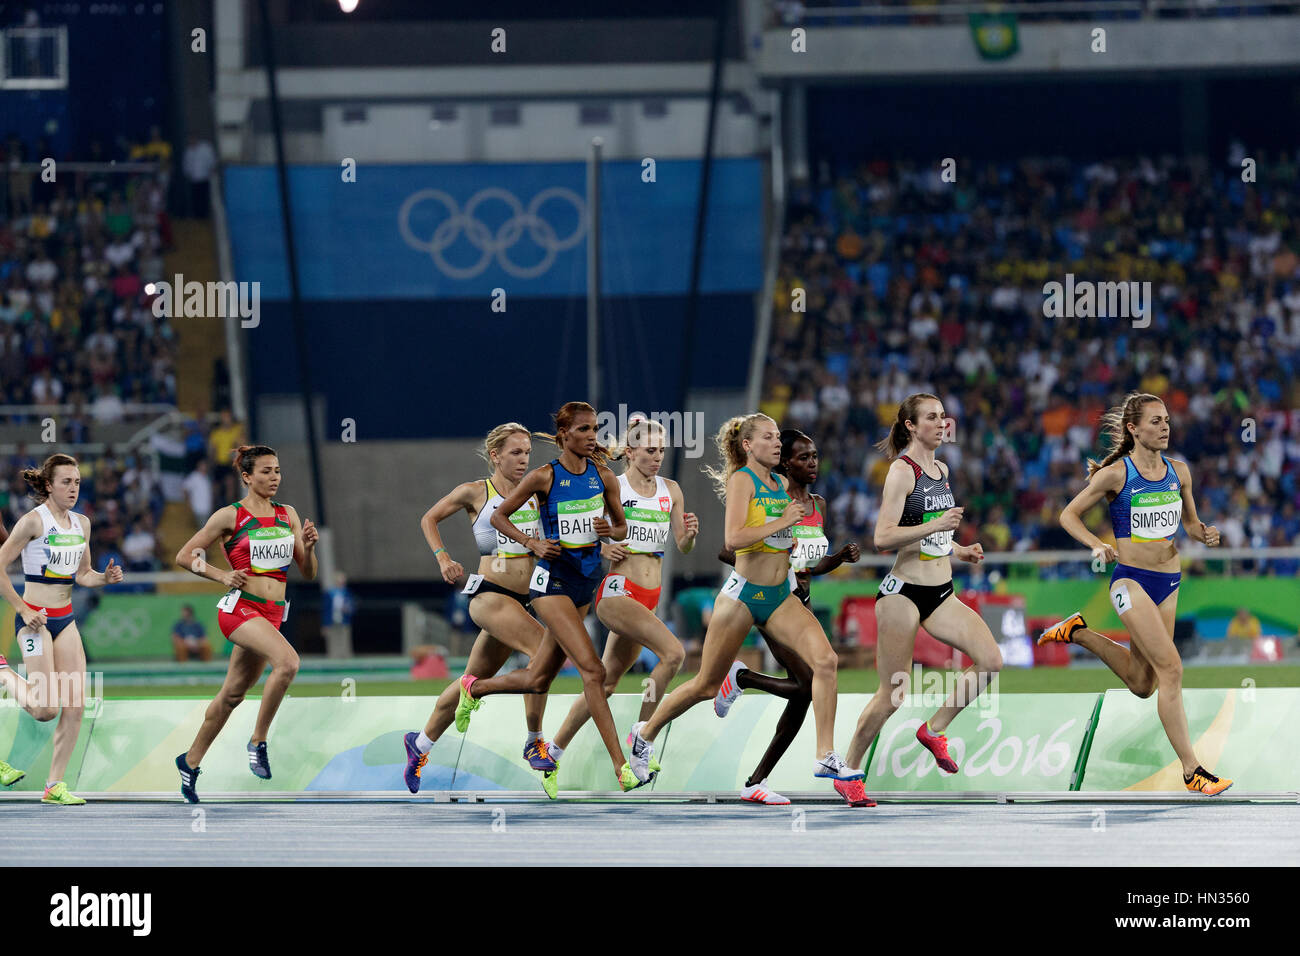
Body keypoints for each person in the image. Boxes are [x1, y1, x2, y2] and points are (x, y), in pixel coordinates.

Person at [626, 413, 862, 794]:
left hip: (780, 597)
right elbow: (734, 539)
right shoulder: (742, 481)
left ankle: (825, 754)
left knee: (826, 662)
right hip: (742, 596)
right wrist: (782, 521)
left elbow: (788, 530)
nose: (777, 444)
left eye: (777, 439)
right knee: (704, 685)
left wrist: (795, 540)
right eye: (769, 438)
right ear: (749, 445)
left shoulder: (783, 483)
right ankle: (645, 734)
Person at [1038, 392, 1232, 795]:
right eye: (1156, 421)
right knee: (1172, 669)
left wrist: (1205, 533)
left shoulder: (1179, 472)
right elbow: (1067, 514)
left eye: (1166, 421)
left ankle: (1078, 632)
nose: (1165, 427)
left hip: (1170, 582)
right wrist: (1094, 543)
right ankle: (1192, 769)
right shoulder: (1116, 475)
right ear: (1133, 428)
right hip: (1131, 582)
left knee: (1143, 684)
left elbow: (1191, 524)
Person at [457, 402, 642, 791]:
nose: (593, 436)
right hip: (550, 585)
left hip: (584, 586)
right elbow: (498, 516)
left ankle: (475, 687)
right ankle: (621, 767)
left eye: (595, 429)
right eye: (584, 430)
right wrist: (532, 543)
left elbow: (623, 529)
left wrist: (609, 530)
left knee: (539, 679)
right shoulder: (545, 476)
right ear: (564, 436)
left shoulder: (603, 477)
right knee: (593, 670)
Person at [843, 394, 1002, 806]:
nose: (941, 423)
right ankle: (848, 769)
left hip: (941, 591)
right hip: (903, 594)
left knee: (991, 661)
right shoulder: (901, 471)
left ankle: (933, 730)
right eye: (931, 417)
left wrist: (959, 549)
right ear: (911, 426)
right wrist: (937, 522)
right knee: (893, 693)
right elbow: (882, 538)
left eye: (944, 416)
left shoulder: (942, 469)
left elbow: (932, 535)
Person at [401, 423, 558, 796]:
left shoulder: (535, 492)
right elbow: (429, 518)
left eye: (527, 453)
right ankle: (534, 741)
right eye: (515, 453)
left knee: (466, 682)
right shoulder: (475, 492)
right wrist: (443, 558)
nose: (523, 460)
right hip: (489, 594)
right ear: (495, 456)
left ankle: (419, 745)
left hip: (522, 602)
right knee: (545, 654)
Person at [546, 417, 698, 783]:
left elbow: (682, 545)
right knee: (674, 654)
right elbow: (581, 530)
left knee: (608, 681)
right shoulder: (612, 485)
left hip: (650, 595)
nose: (657, 457)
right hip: (617, 591)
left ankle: (552, 752)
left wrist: (691, 535)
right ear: (630, 452)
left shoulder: (671, 489)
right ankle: (642, 734)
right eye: (649, 450)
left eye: (661, 450)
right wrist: (604, 547)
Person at [713, 429, 861, 805]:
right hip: (772, 599)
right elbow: (728, 551)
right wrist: (780, 568)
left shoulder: (818, 505)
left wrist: (837, 559)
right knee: (809, 683)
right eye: (803, 457)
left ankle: (755, 780)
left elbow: (811, 562)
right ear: (785, 463)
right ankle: (741, 677)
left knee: (804, 694)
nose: (812, 464)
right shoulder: (771, 496)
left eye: (815, 456)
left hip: (800, 603)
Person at [172, 445, 318, 803]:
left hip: (271, 614)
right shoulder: (229, 516)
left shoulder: (289, 515)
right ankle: (258, 741)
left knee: (232, 695)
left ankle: (189, 762)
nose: (274, 478)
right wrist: (221, 575)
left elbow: (308, 573)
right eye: (266, 472)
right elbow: (184, 556)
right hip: (240, 610)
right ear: (247, 477)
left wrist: (310, 548)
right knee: (288, 663)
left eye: (278, 471)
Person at [0, 454, 125, 804]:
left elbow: (83, 575)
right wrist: (23, 609)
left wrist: (105, 578)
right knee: (45, 710)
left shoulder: (82, 524)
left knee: (74, 706)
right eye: (66, 482)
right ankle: (3, 672)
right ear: (49, 485)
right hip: (34, 622)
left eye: (78, 482)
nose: (73, 488)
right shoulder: (32, 523)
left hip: (65, 620)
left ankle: (55, 786)